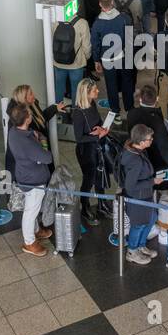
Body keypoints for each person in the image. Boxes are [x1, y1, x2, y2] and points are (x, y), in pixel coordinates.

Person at [7, 102, 53, 257]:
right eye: (30, 114)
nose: (32, 115)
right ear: (26, 120)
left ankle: (35, 231)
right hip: (34, 181)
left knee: (31, 207)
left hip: (24, 175)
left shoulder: (13, 132)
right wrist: (42, 142)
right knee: (31, 211)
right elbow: (47, 157)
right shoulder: (27, 142)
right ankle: (29, 242)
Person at [116, 124, 158, 265]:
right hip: (138, 198)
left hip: (145, 195)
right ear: (141, 142)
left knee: (151, 219)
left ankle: (140, 245)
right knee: (138, 225)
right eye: (149, 139)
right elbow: (130, 186)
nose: (151, 140)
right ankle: (132, 251)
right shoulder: (135, 160)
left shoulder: (135, 149)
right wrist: (153, 181)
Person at [71, 78, 111, 227]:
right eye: (95, 90)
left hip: (96, 146)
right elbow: (79, 138)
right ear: (86, 93)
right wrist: (96, 136)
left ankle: (102, 204)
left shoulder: (92, 104)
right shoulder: (78, 113)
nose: (98, 91)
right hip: (85, 151)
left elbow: (98, 122)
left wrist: (102, 129)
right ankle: (85, 207)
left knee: (100, 175)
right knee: (88, 180)